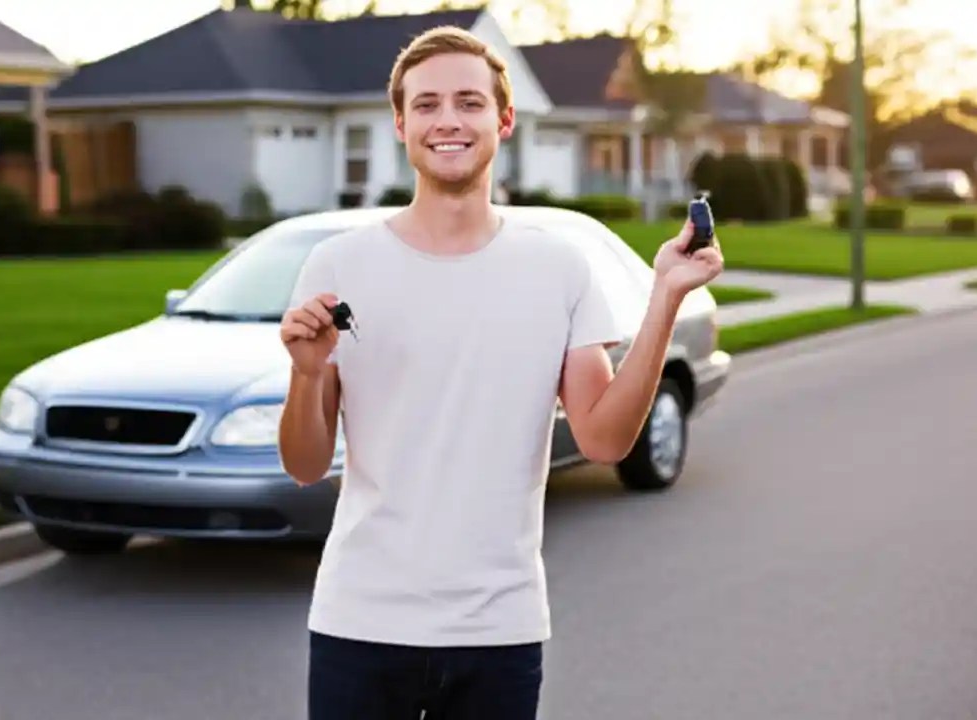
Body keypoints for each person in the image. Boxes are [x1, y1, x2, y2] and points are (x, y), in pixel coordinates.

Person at [277, 25, 723, 720]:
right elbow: (306, 465)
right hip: (359, 622)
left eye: (468, 102)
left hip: (500, 630)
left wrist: (665, 297)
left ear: (504, 119)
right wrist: (306, 377)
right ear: (400, 123)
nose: (447, 120)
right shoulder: (338, 266)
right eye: (425, 105)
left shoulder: (558, 267)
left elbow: (604, 440)